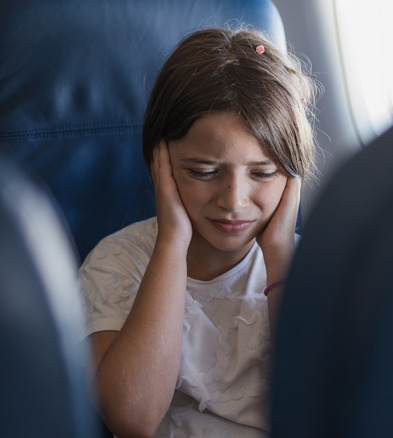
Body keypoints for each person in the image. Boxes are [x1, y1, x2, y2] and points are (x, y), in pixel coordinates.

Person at [78, 27, 319, 438]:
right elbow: (132, 419)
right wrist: (172, 243)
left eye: (262, 173)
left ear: (292, 174)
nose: (234, 200)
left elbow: (318, 404)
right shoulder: (116, 262)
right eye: (204, 172)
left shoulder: (310, 265)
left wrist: (279, 251)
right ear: (160, 160)